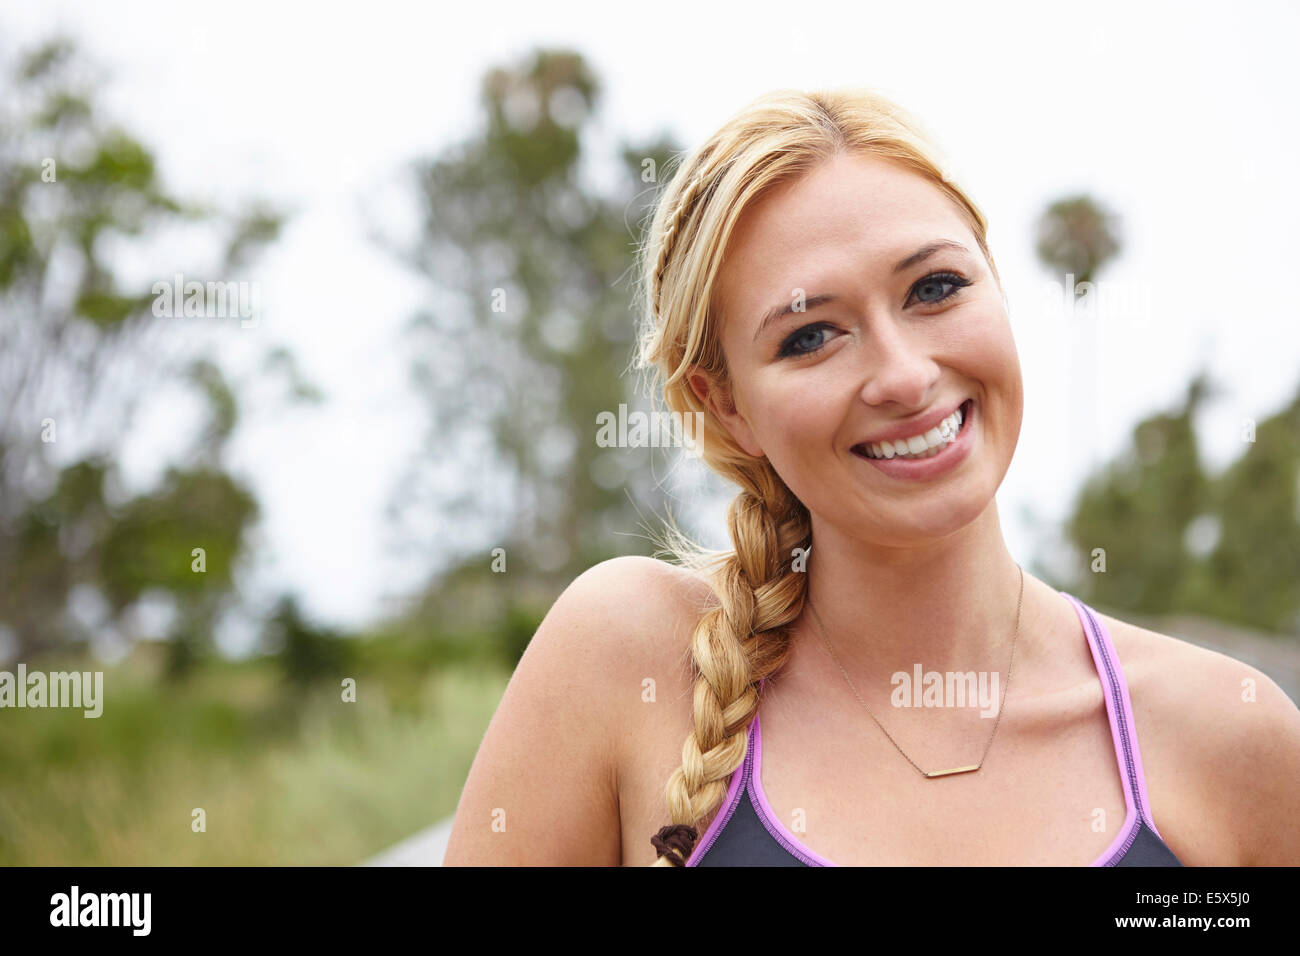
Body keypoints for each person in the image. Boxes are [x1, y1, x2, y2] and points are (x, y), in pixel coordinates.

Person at [441, 88, 1300, 867]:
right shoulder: (628, 663)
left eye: (935, 287)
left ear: (996, 284)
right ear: (727, 405)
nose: (903, 376)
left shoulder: (1232, 738)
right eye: (810, 336)